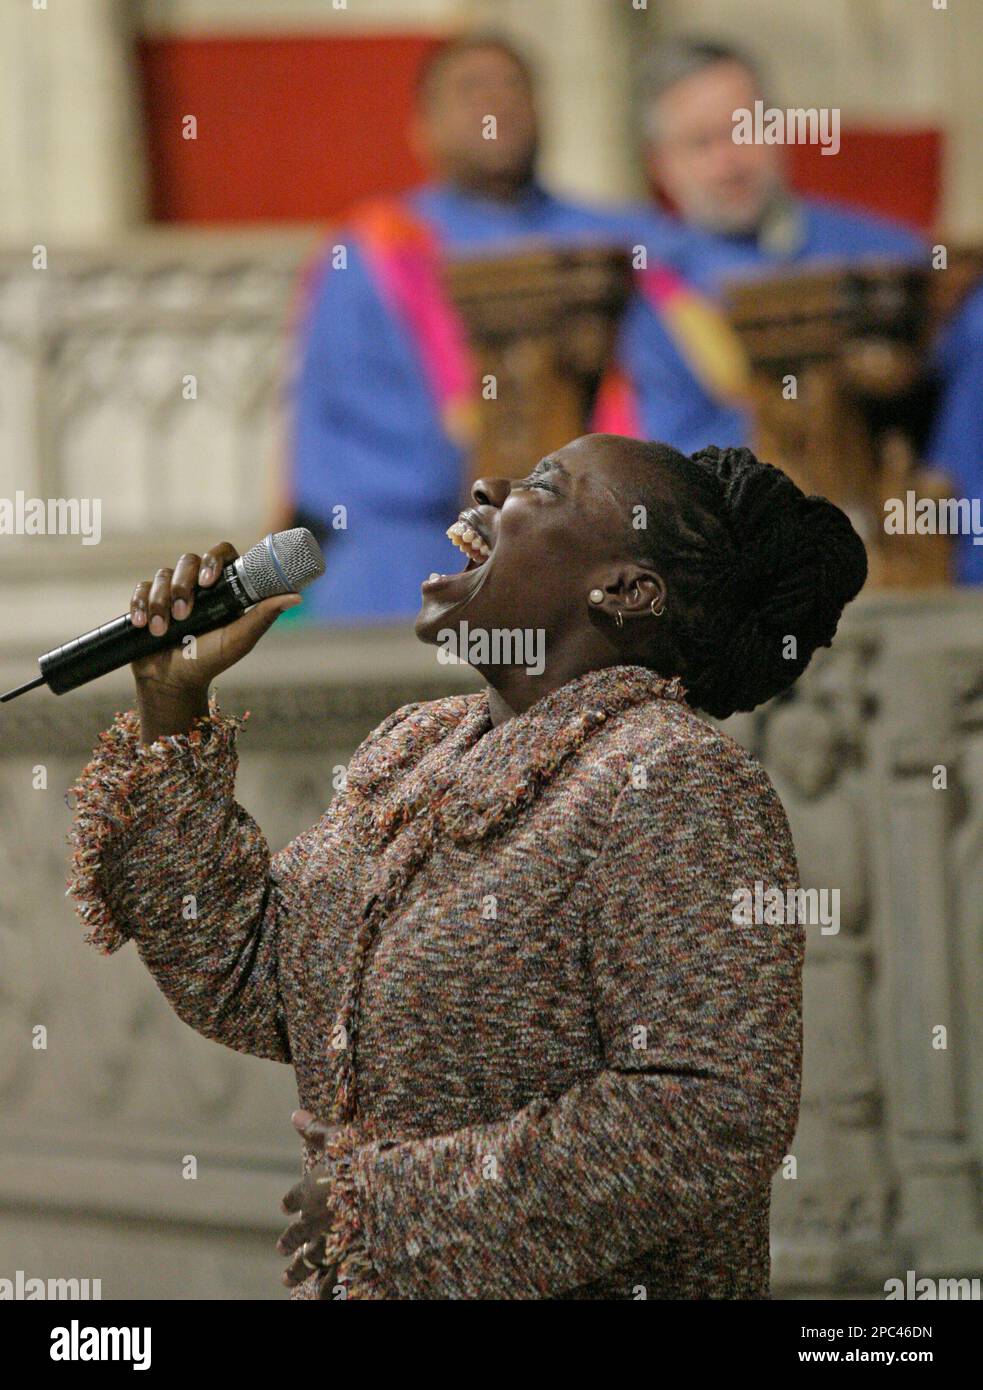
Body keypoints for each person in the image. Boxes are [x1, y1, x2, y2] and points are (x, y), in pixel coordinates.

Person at [68, 433, 867, 1300]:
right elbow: (252, 972)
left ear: (627, 590)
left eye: (542, 487)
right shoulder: (415, 749)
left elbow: (712, 1111)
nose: (488, 485)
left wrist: (394, 1212)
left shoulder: (670, 779)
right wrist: (172, 701)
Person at [289, 32, 670, 622]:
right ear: (423, 126)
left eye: (513, 86)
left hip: (613, 540)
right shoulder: (368, 255)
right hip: (410, 555)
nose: (495, 104)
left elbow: (681, 398)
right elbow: (343, 450)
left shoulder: (626, 243)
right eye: (469, 89)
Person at [599, 39, 926, 454]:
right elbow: (682, 460)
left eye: (743, 130)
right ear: (660, 165)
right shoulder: (653, 293)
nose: (728, 163)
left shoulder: (889, 254)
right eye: (701, 143)